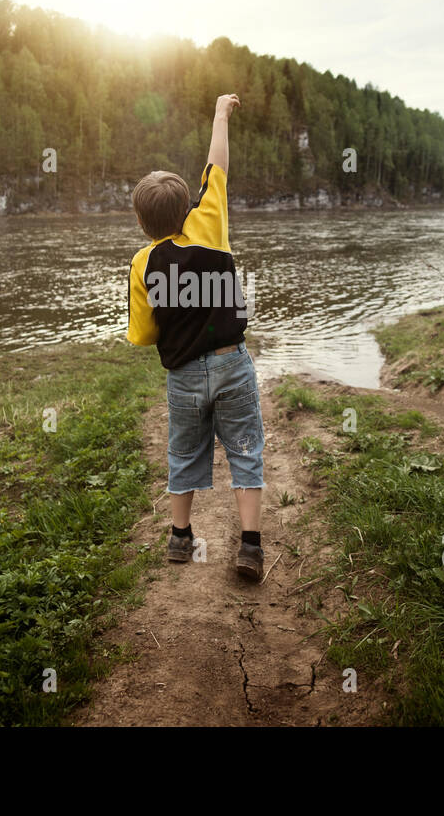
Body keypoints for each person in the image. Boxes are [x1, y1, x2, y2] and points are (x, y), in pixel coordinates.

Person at [125, 93, 266, 580]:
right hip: (231, 362)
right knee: (246, 449)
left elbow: (143, 335)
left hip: (183, 376)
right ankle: (250, 546)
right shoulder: (211, 223)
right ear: (190, 206)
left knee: (183, 452)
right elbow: (217, 166)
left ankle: (180, 538)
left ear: (143, 224)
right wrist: (219, 115)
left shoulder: (142, 262)